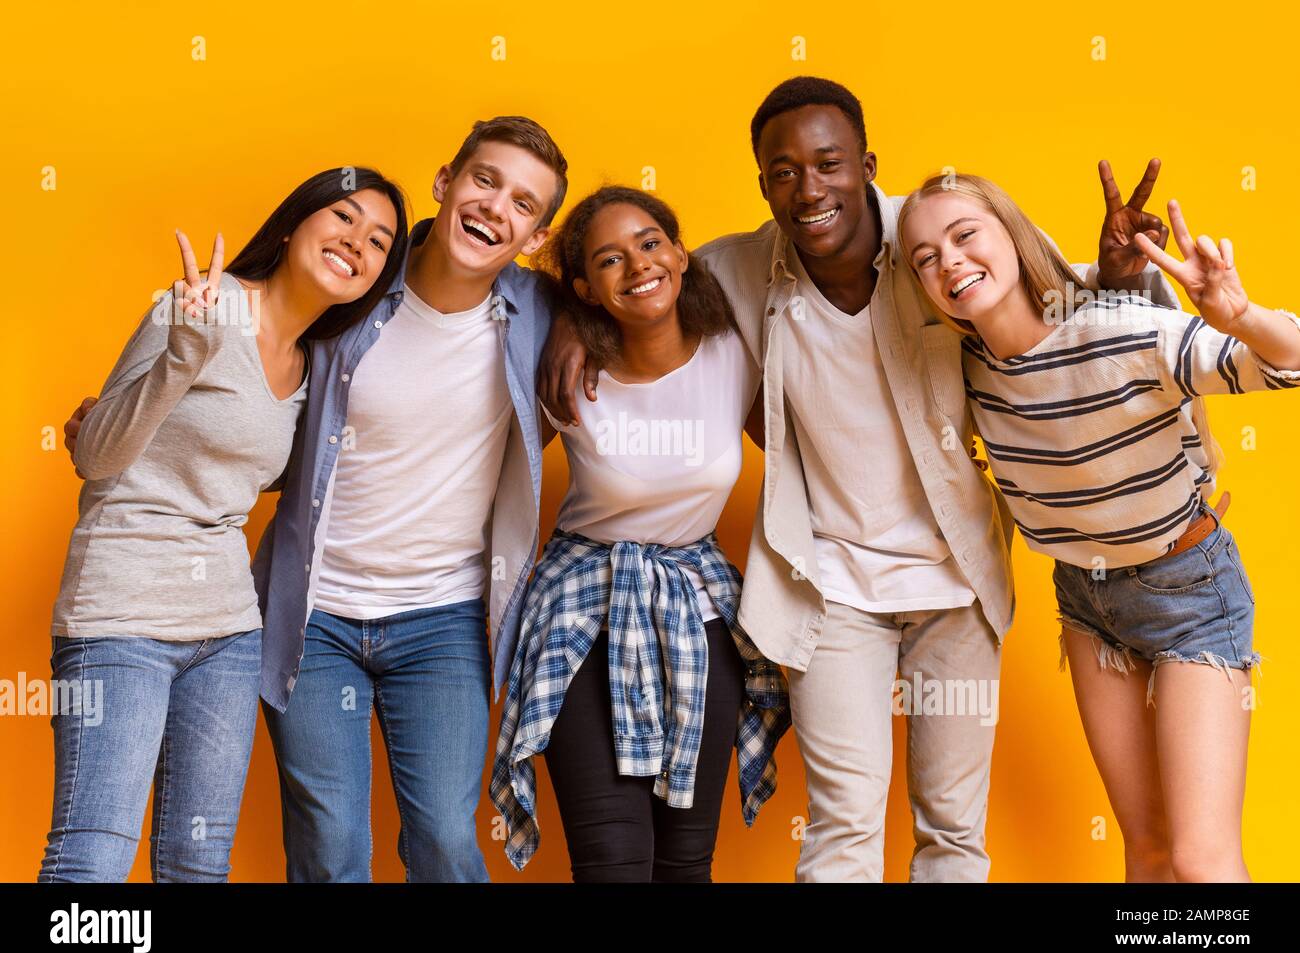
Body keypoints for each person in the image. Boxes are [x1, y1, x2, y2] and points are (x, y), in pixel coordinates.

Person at [539, 76, 1178, 882]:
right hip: (830, 587)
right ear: (764, 182)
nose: (810, 189)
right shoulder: (733, 271)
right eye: (783, 172)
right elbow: (634, 276)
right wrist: (569, 316)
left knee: (952, 828)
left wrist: (1121, 278)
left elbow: (1060, 312)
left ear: (868, 164)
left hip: (955, 584)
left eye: (829, 163)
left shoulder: (937, 235)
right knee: (842, 829)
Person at [63, 117, 569, 883]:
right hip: (312, 616)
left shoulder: (541, 314)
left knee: (442, 840)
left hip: (439, 618)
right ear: (445, 182)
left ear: (535, 235)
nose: (498, 207)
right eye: (485, 180)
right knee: (327, 851)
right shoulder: (348, 302)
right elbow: (247, 432)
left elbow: (645, 305)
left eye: (525, 204)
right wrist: (121, 414)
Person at [898, 173, 1300, 882]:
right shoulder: (962, 369)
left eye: (965, 236)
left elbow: (1286, 362)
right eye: (926, 257)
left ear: (1017, 238)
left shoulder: (1127, 331)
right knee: (1145, 850)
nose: (949, 262)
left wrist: (1241, 318)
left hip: (1190, 593)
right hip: (1086, 603)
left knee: (1200, 860)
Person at [43, 167, 407, 882]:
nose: (355, 243)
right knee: (93, 857)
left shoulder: (313, 366)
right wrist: (184, 351)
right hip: (122, 612)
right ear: (292, 223)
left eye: (378, 242)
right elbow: (97, 454)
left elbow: (259, 473)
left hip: (229, 631)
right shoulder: (202, 306)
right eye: (342, 217)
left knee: (198, 863)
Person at [491, 186, 790, 882]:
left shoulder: (735, 351)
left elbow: (796, 249)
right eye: (609, 260)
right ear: (584, 289)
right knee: (612, 863)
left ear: (682, 254)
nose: (638, 266)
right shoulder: (563, 372)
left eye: (651, 243)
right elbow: (489, 466)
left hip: (696, 606)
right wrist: (563, 321)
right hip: (581, 612)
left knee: (684, 863)